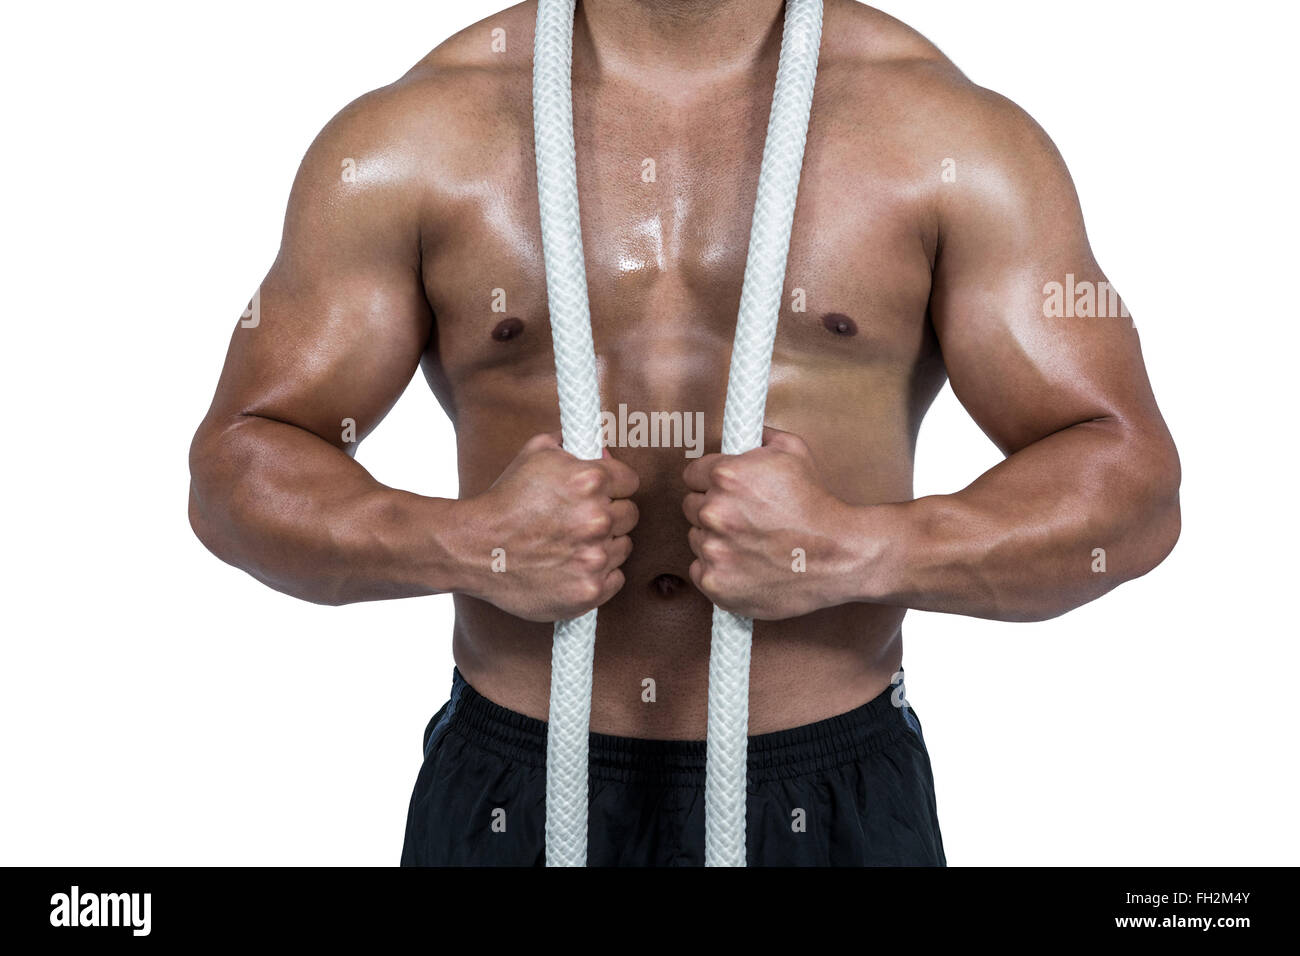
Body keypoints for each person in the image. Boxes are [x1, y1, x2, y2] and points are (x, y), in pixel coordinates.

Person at [188, 0, 1180, 866]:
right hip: (514, 784)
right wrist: (462, 543)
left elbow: (1129, 484)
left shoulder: (943, 137)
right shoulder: (418, 137)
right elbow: (240, 463)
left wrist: (858, 548)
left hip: (826, 791)